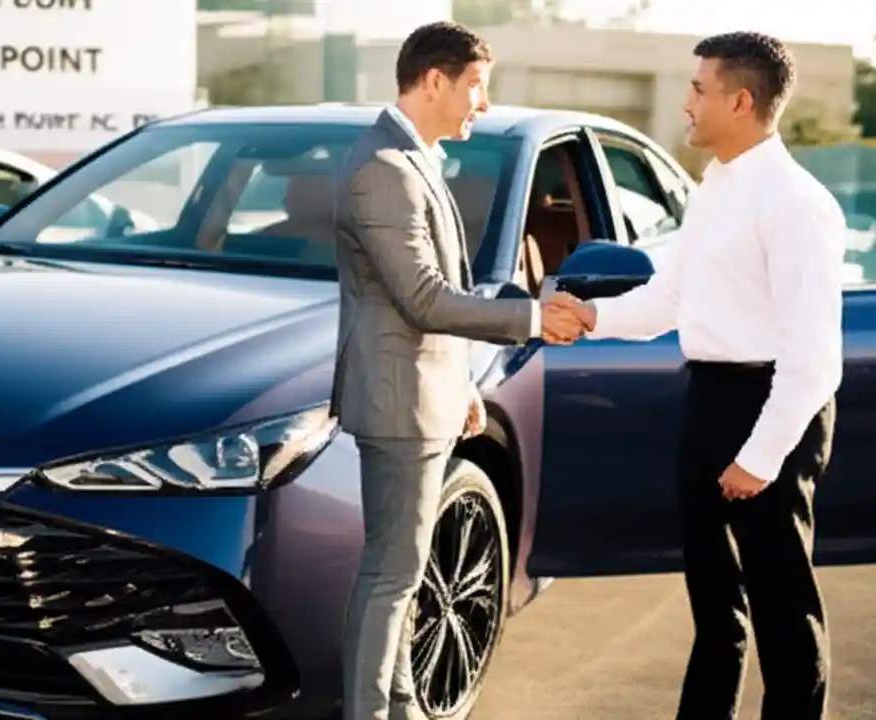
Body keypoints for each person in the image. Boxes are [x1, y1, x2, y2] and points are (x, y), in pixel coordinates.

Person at [550, 31, 845, 720]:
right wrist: (590, 316)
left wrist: (761, 457)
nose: (685, 103)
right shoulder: (715, 188)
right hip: (710, 398)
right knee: (715, 606)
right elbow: (671, 299)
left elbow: (813, 360)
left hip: (771, 406)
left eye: (697, 89)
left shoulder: (794, 203)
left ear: (740, 100)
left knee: (782, 609)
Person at [331, 20, 582, 720]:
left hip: (426, 394)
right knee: (391, 575)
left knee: (404, 573)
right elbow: (422, 297)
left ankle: (402, 703)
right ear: (434, 81)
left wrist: (464, 383)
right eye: (476, 85)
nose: (485, 103)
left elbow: (419, 297)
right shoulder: (383, 170)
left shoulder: (411, 158)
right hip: (400, 406)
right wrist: (534, 319)